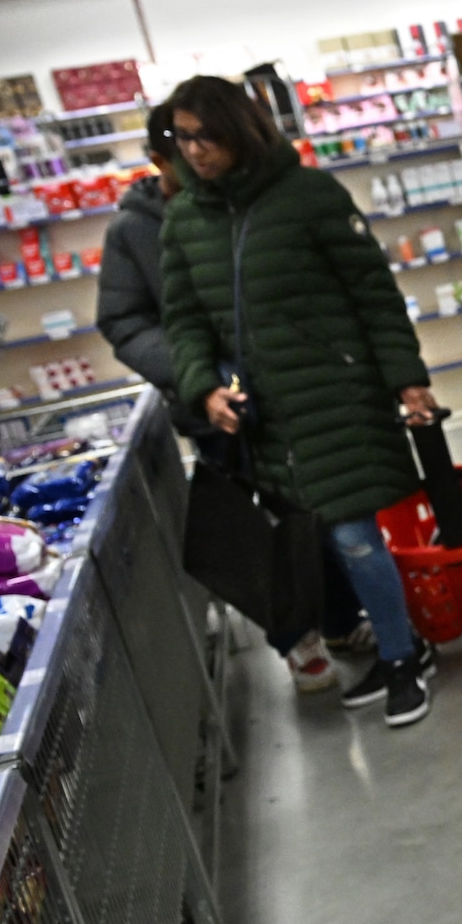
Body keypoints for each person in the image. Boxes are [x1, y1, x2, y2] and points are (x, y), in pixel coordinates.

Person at [155, 77, 439, 727]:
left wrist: (406, 376)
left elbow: (374, 292)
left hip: (336, 395)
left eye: (207, 134)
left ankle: (402, 658)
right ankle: (399, 644)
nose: (195, 150)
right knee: (321, 538)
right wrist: (204, 386)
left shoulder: (309, 196)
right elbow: (185, 321)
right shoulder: (182, 223)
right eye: (183, 137)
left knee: (352, 532)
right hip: (268, 416)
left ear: (241, 129)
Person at [101, 131, 373, 693]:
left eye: (209, 142)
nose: (202, 157)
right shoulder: (133, 229)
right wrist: (200, 375)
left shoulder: (242, 202)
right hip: (214, 408)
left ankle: (342, 621)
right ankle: (297, 640)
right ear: (157, 160)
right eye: (184, 150)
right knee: (258, 530)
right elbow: (126, 322)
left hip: (285, 391)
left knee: (317, 511)